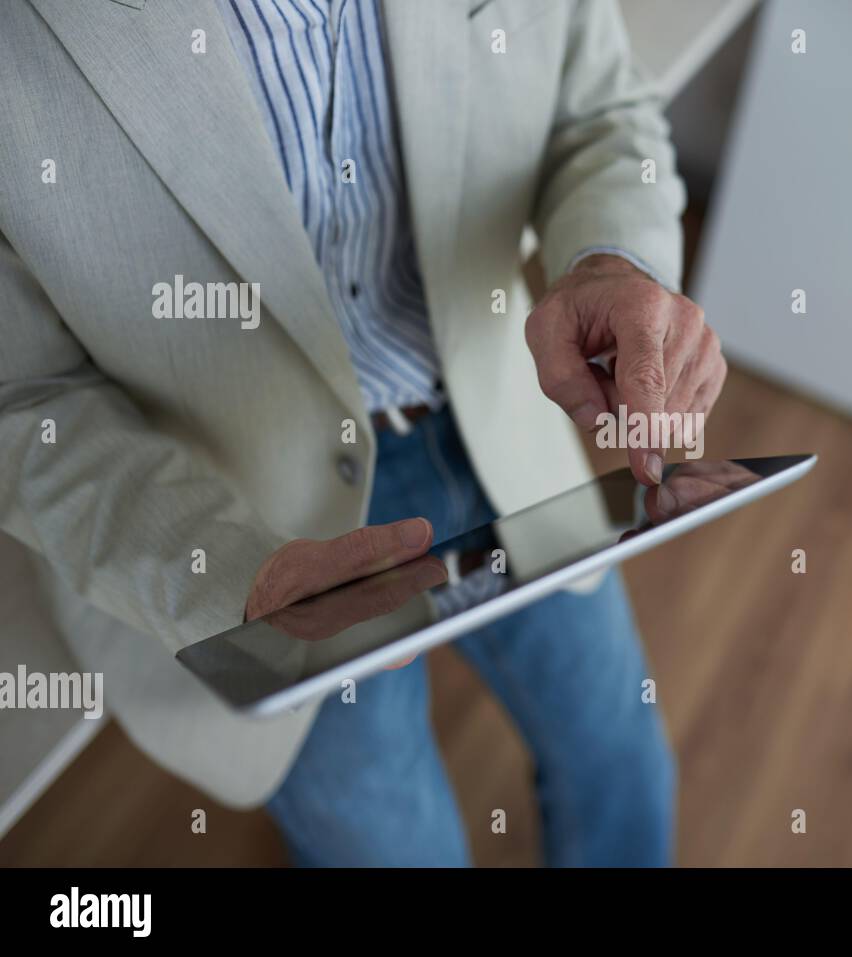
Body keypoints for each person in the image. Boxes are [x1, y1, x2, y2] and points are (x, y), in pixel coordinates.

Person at [0, 0, 725, 866]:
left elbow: (601, 110)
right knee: (398, 849)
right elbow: (22, 398)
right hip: (245, 540)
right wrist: (234, 576)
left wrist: (615, 261)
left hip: (500, 430)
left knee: (623, 766)